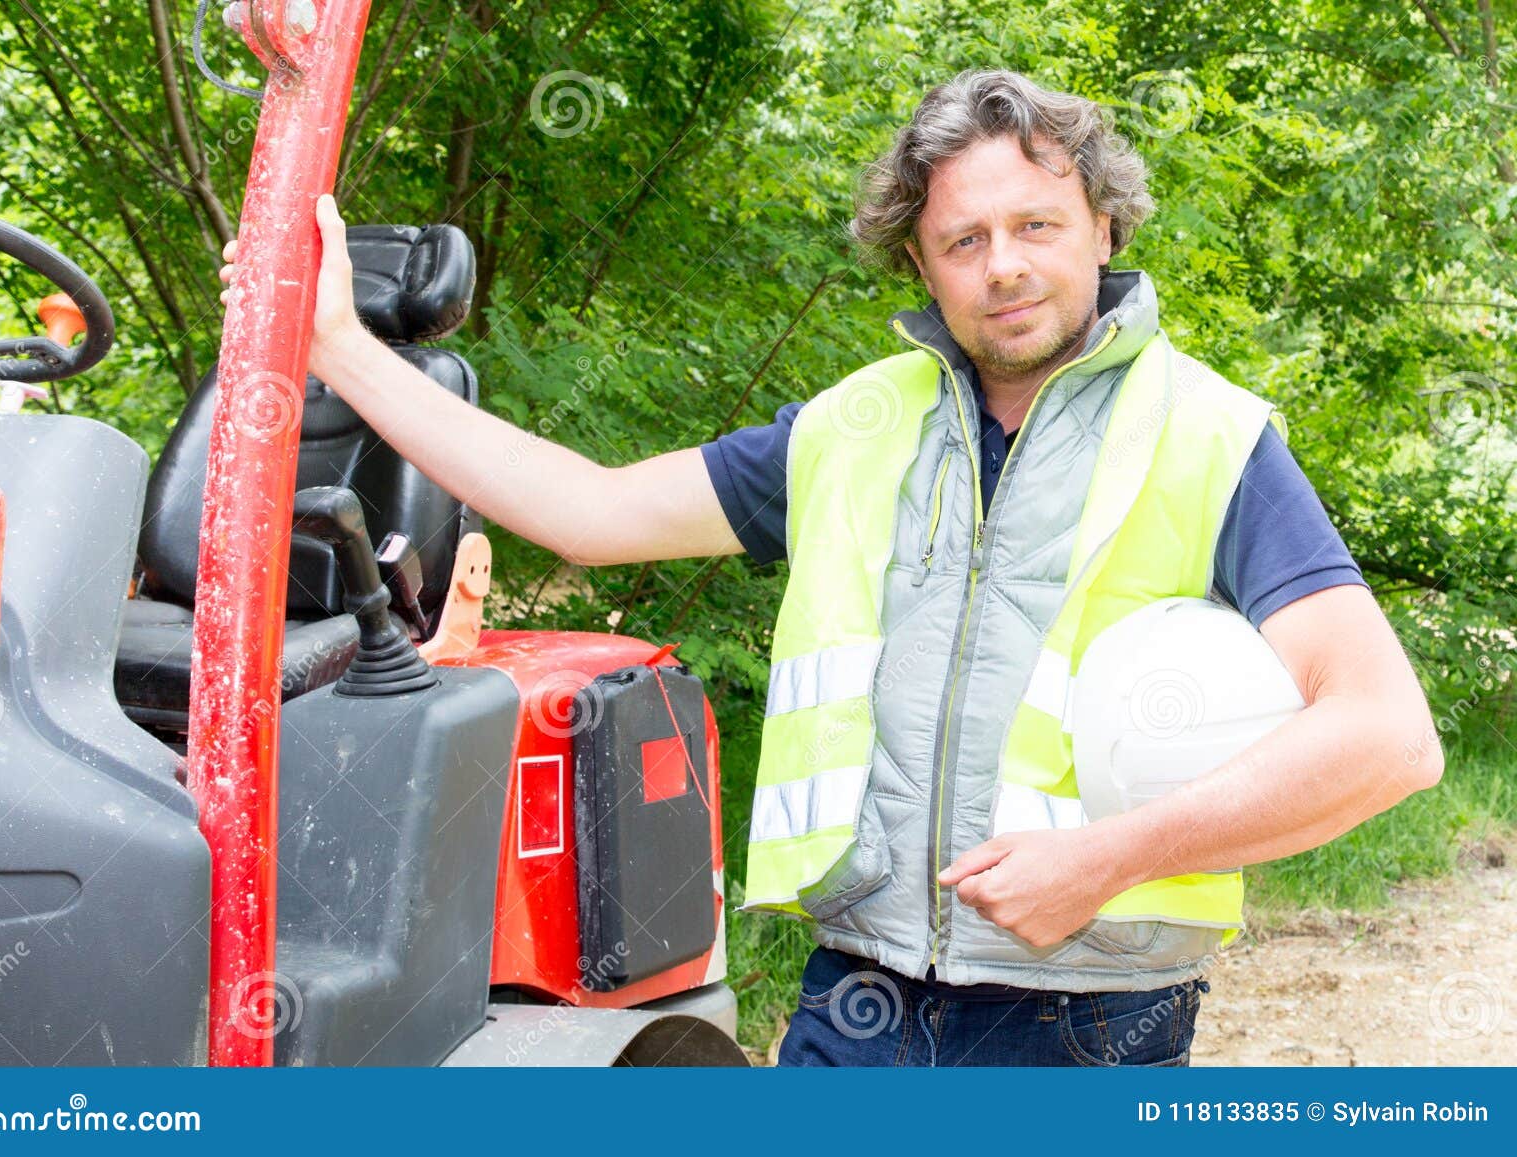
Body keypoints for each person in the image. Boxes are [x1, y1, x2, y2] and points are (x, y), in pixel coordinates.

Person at [220, 68, 1443, 1067]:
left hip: (1084, 1020)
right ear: (918, 265)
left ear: (1104, 227)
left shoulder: (1213, 435)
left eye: (1036, 226)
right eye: (962, 239)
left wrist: (1112, 858)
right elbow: (583, 509)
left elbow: (1388, 736)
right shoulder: (854, 427)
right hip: (855, 995)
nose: (1003, 265)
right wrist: (337, 345)